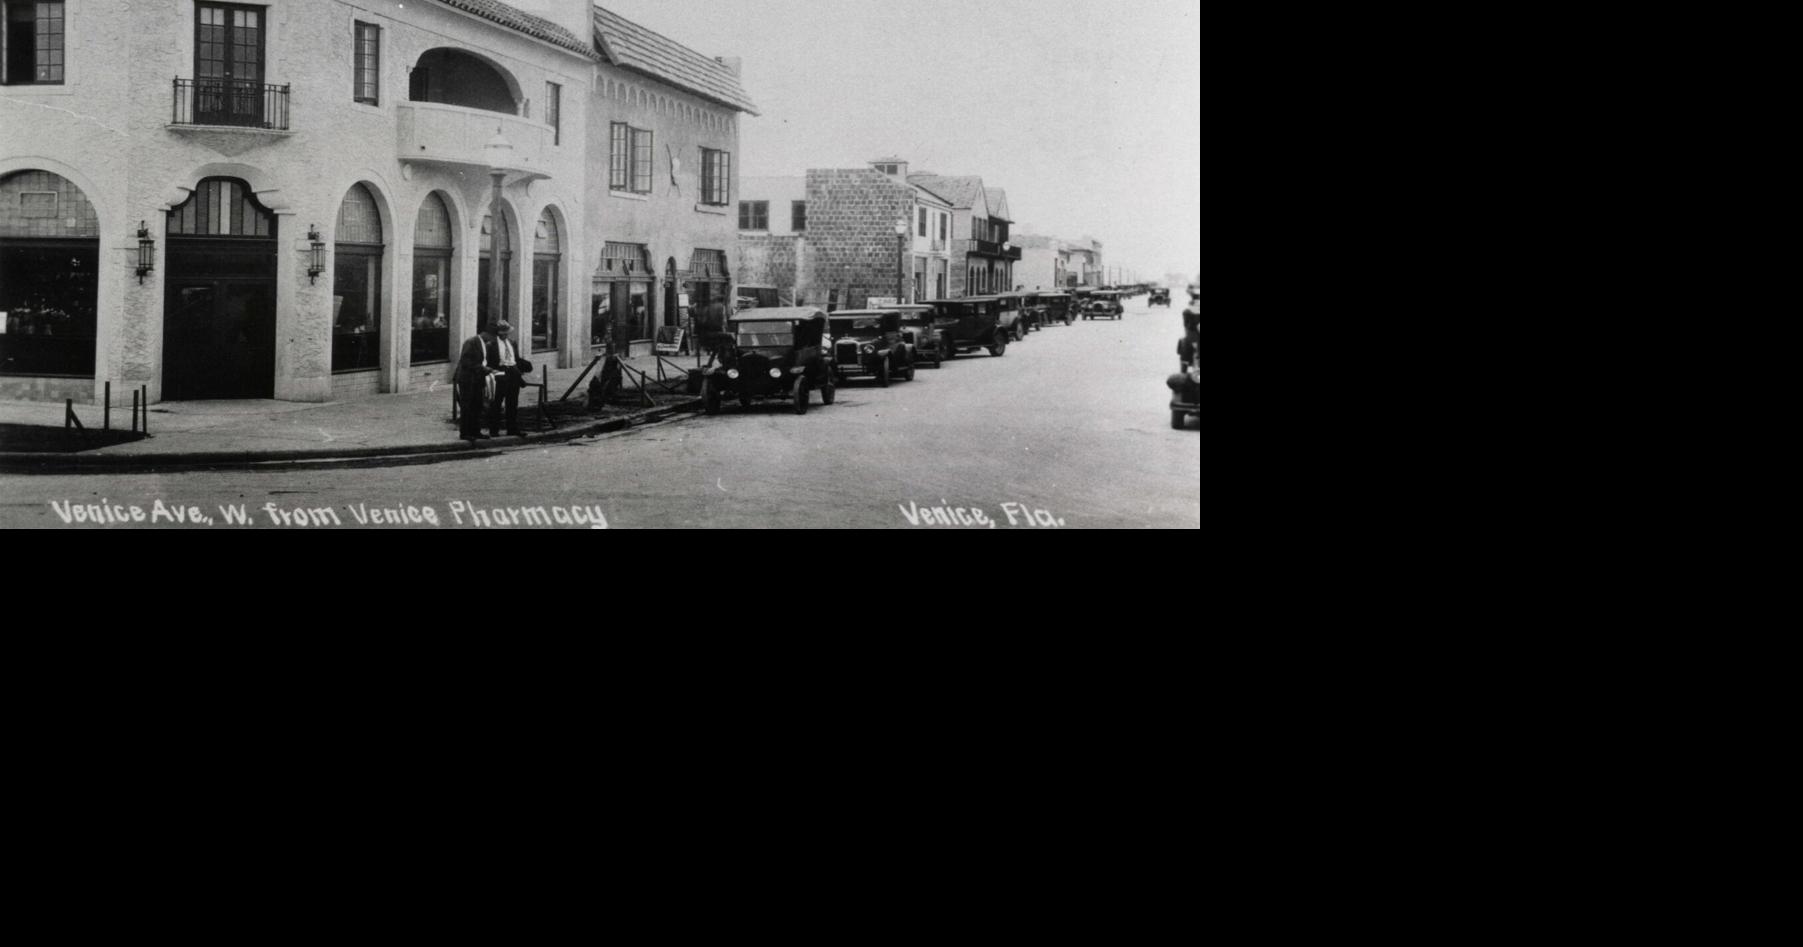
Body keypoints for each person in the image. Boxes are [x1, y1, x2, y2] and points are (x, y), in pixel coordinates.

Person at [484, 321, 526, 437]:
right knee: (496, 403)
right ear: (498, 333)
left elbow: (516, 359)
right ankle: (494, 430)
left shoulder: (512, 343)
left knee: (512, 402)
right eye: (503, 333)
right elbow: (488, 362)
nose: (505, 335)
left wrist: (519, 370)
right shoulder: (491, 344)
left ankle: (512, 428)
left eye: (507, 333)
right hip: (500, 374)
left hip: (513, 373)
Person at [454, 329, 493, 442]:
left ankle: (475, 431)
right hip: (467, 378)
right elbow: (465, 361)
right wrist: (483, 369)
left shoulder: (484, 344)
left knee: (477, 405)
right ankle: (465, 433)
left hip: (477, 379)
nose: (492, 340)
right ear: (485, 334)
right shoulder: (471, 342)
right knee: (467, 406)